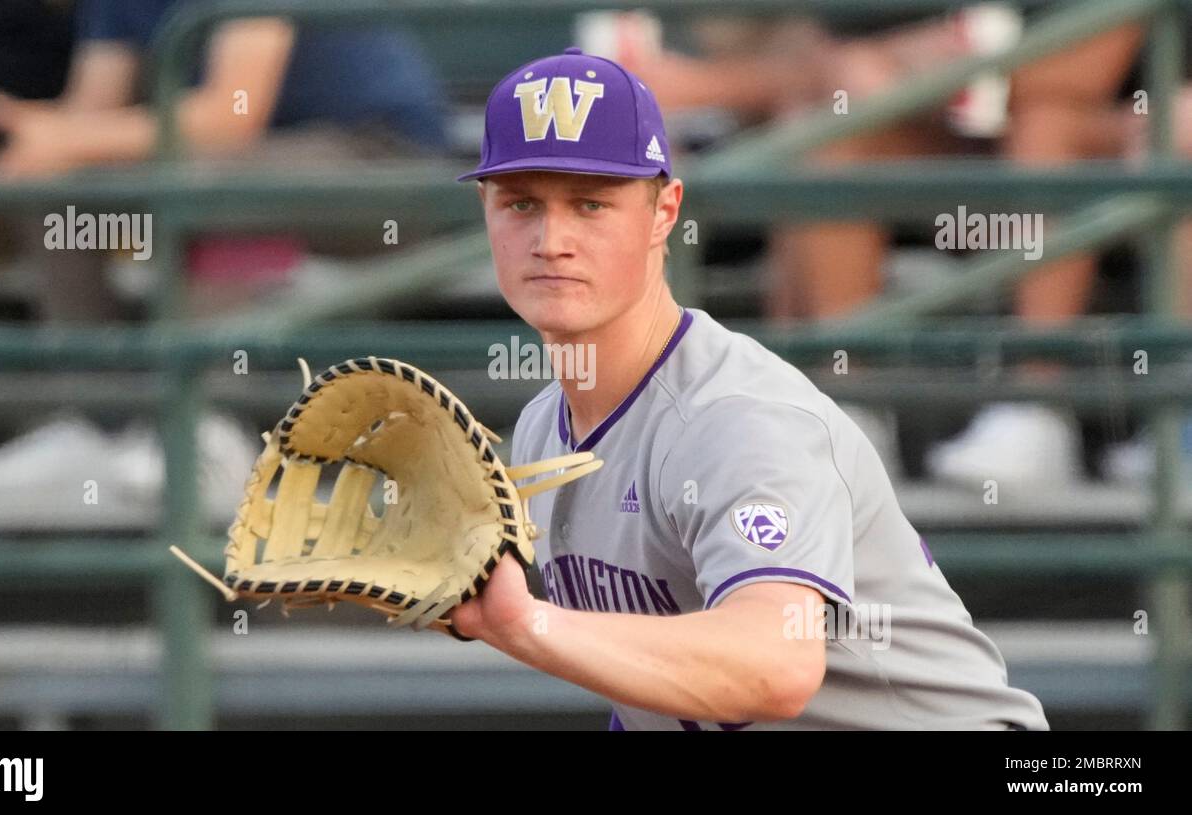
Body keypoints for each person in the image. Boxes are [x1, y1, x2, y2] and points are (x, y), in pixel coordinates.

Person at [448, 47, 1049, 730]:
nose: (551, 238)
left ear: (664, 211)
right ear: (485, 208)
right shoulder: (540, 430)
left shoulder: (737, 419)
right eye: (522, 203)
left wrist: (524, 624)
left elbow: (778, 667)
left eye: (591, 203)